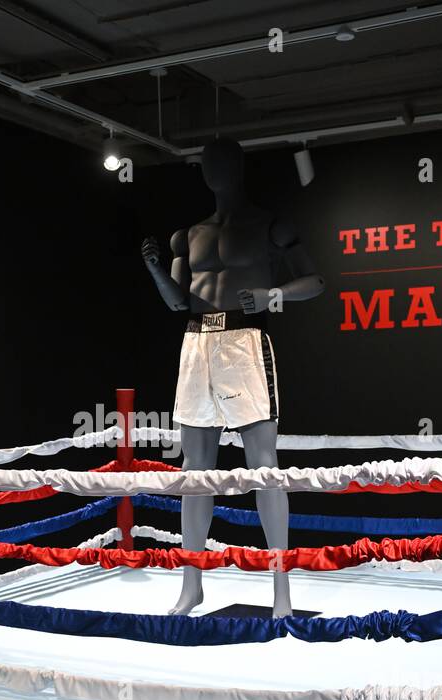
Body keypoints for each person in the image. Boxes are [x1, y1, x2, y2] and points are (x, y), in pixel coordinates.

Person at [140, 137, 324, 617]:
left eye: (223, 161)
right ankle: (191, 585)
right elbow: (178, 301)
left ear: (239, 166)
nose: (214, 170)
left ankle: (281, 591)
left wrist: (272, 295)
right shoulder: (187, 235)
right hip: (196, 340)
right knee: (194, 471)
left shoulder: (267, 223)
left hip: (245, 342)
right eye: (207, 162)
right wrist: (156, 269)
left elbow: (315, 281)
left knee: (264, 465)